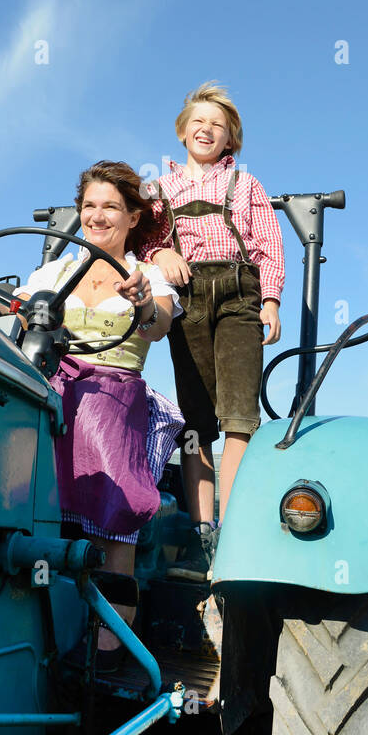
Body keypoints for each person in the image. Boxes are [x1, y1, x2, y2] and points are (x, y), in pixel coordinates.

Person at [0, 160, 183, 671]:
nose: (97, 216)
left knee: (112, 499)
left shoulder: (147, 276)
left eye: (110, 207)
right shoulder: (52, 273)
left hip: (113, 394)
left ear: (132, 217)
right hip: (50, 389)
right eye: (88, 206)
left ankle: (106, 650)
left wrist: (144, 303)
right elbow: (13, 320)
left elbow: (158, 324)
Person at [138, 82, 285, 581]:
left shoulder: (246, 185)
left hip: (239, 295)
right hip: (188, 301)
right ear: (183, 132)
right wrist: (160, 253)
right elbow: (137, 241)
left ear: (231, 141)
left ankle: (234, 524)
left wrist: (270, 299)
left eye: (217, 126)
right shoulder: (158, 189)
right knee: (197, 419)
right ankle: (203, 531)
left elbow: (267, 242)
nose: (207, 130)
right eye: (198, 122)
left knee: (240, 412)